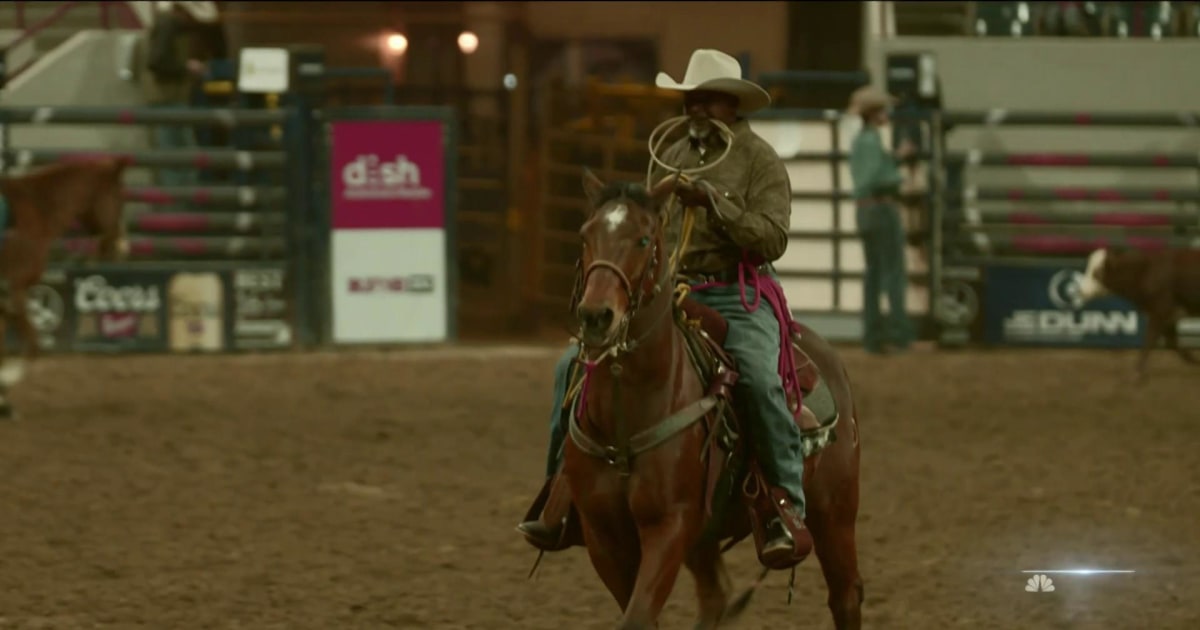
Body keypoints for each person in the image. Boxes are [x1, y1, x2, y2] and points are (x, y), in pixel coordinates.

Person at [517, 49, 810, 565]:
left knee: (761, 377)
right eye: (690, 98)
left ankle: (783, 505)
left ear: (733, 104)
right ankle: (560, 494)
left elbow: (773, 237)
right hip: (667, 293)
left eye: (708, 99)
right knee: (572, 366)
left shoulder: (759, 160)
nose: (695, 107)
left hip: (734, 293)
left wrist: (715, 204)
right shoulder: (668, 149)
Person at [847, 85, 916, 355]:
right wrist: (898, 175)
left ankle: (873, 335)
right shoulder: (872, 140)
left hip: (864, 210)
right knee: (893, 272)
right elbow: (878, 177)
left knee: (873, 272)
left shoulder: (860, 141)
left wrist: (894, 160)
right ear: (875, 113)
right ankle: (900, 333)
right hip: (881, 208)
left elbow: (867, 172)